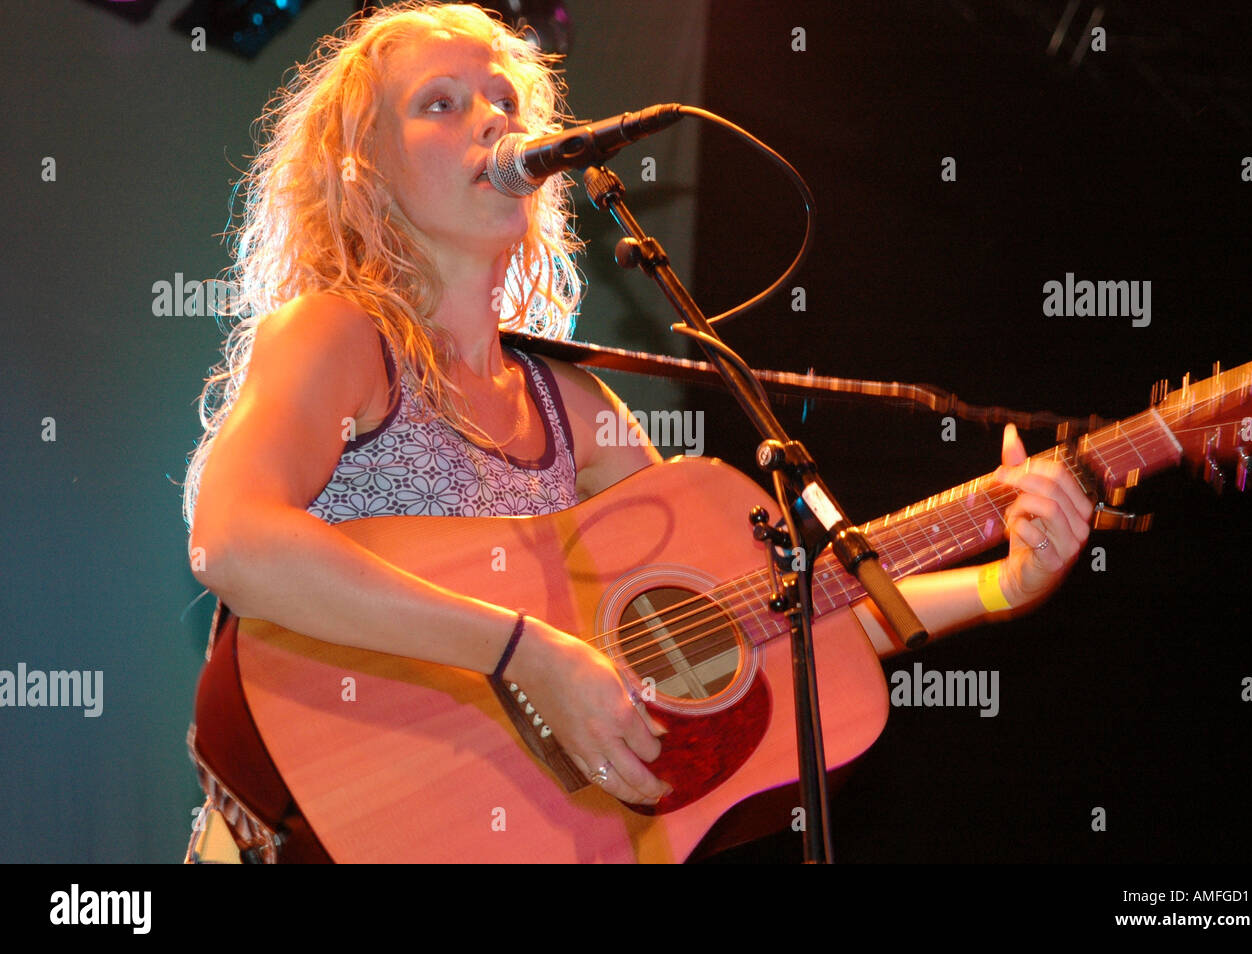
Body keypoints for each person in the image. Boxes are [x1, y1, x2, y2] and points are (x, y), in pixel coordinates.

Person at [182, 1, 1094, 863]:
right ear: (363, 167)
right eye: (442, 104)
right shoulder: (341, 337)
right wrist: (522, 650)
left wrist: (998, 584)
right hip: (325, 805)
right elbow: (235, 541)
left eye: (506, 100)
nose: (495, 122)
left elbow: (762, 617)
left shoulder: (570, 407)